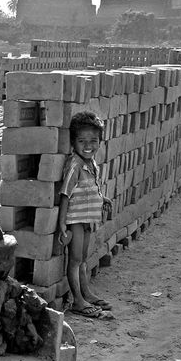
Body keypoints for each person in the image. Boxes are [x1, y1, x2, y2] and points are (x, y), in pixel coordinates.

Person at [58, 111, 114, 319]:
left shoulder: (91, 164)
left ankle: (86, 292)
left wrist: (103, 199)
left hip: (88, 218)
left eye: (93, 141)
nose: (88, 146)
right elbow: (65, 194)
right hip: (75, 220)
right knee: (74, 259)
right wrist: (62, 223)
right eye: (82, 141)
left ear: (100, 141)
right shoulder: (75, 165)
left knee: (82, 259)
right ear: (73, 142)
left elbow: (91, 189)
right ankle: (77, 301)